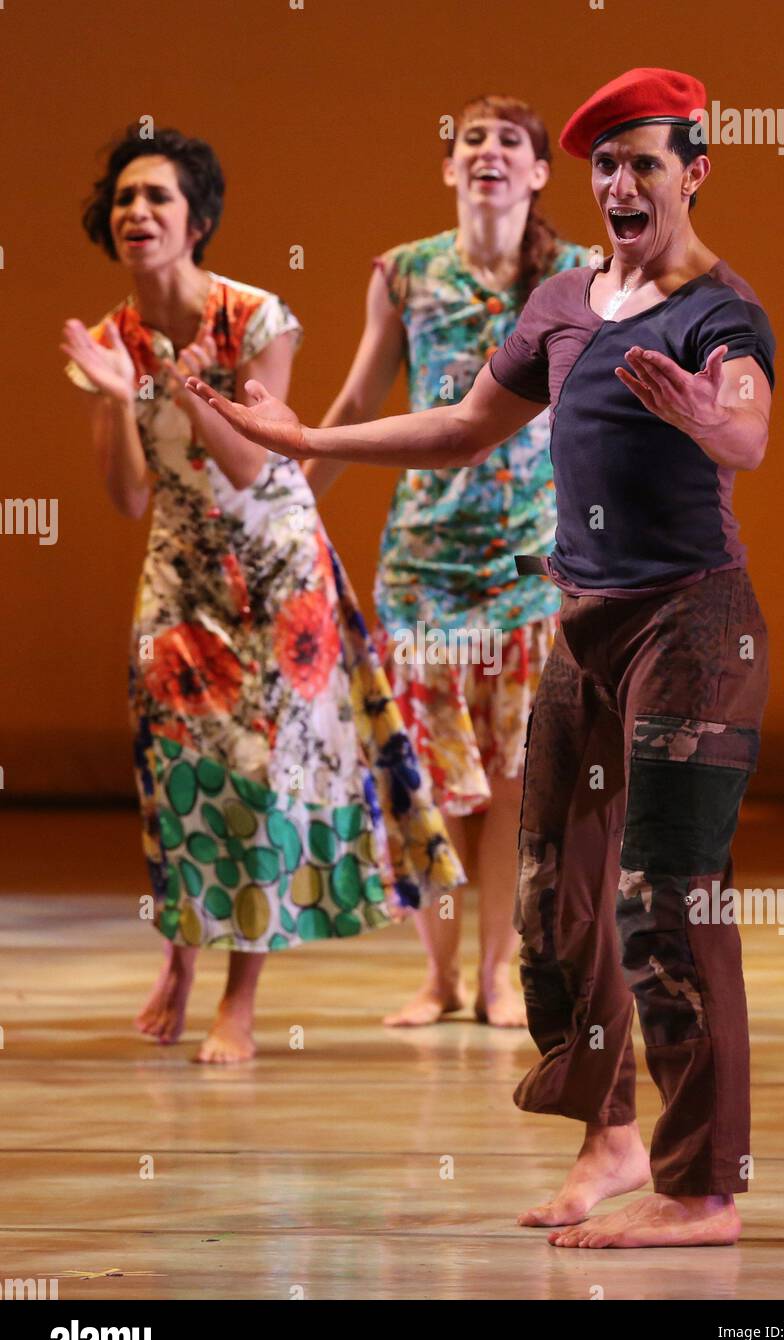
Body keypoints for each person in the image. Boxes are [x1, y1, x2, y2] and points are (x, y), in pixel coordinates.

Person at [184, 64, 776, 1249]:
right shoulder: (559, 303)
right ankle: (608, 1134)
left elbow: (746, 423)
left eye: (642, 163)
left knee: (664, 890)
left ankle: (703, 1182)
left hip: (694, 625)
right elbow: (462, 428)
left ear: (693, 173)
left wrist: (712, 422)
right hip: (585, 625)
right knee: (558, 898)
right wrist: (304, 435)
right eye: (603, 163)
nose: (617, 182)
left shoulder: (720, 310)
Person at [61, 124, 462, 1064]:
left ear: (195, 220)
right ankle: (180, 955)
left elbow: (249, 465)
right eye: (125, 199)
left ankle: (238, 998)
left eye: (157, 197)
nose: (138, 213)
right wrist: (117, 397)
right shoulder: (108, 341)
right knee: (177, 772)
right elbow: (126, 497)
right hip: (181, 570)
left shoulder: (255, 318)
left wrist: (180, 380)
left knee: (260, 779)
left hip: (279, 574)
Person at [303, 96, 590, 1027]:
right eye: (472, 139)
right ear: (448, 164)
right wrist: (292, 499)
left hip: (527, 564)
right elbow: (354, 399)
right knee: (424, 773)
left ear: (540, 172)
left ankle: (501, 969)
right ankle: (438, 974)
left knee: (512, 778)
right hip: (425, 563)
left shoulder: (578, 274)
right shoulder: (406, 273)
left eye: (511, 142)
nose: (489, 153)